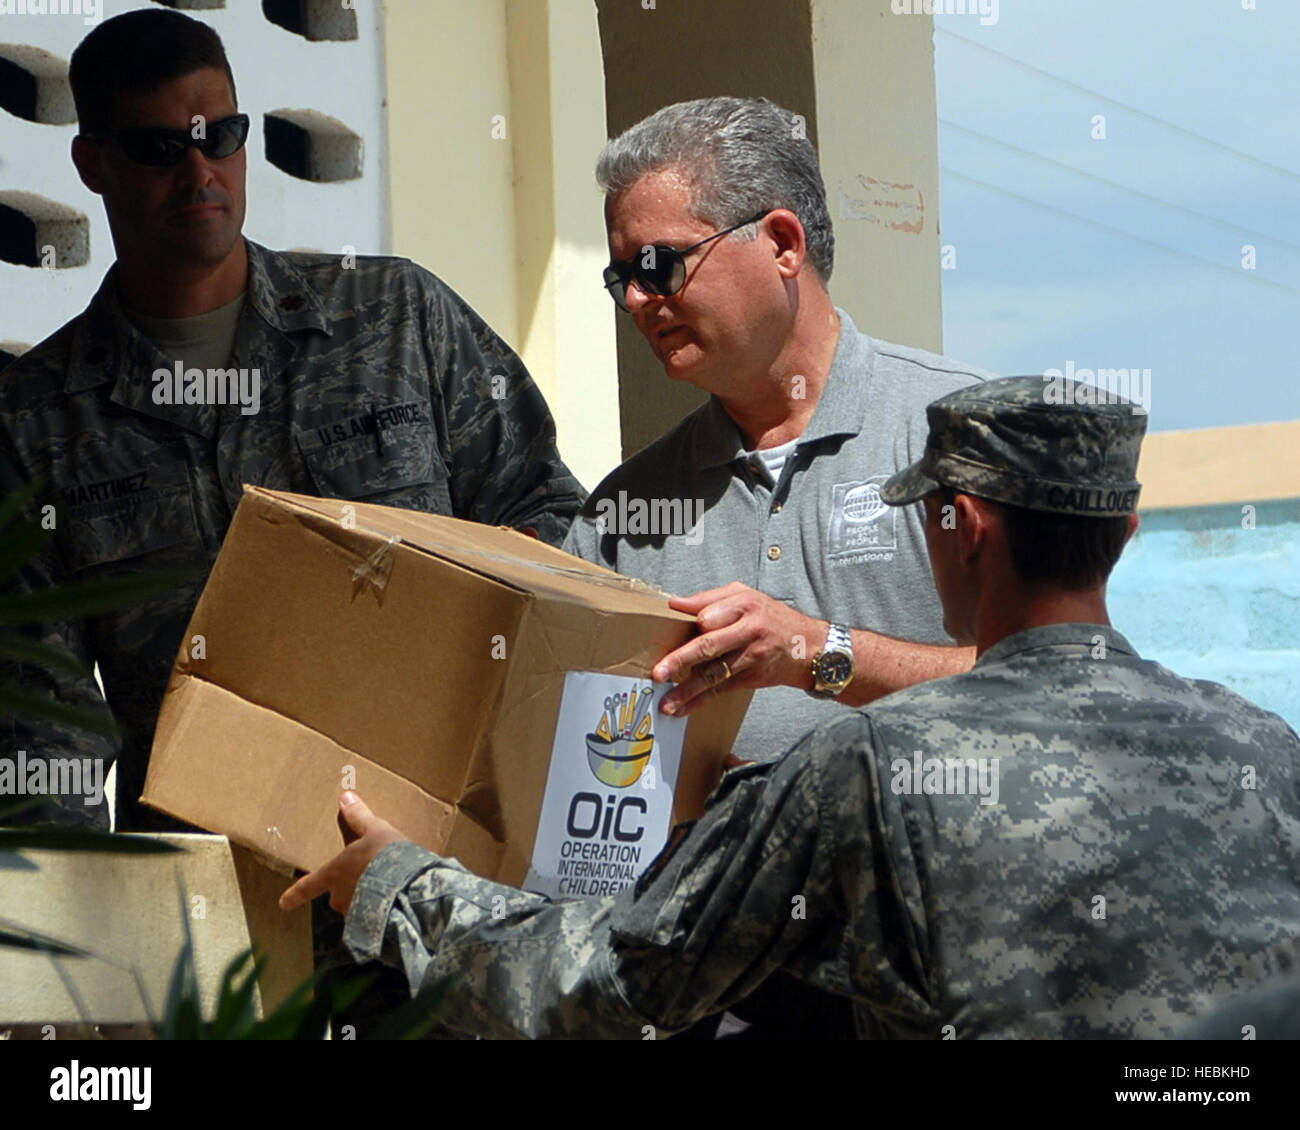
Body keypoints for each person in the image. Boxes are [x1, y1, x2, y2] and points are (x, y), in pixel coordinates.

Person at [282, 375, 1300, 1039]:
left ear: (966, 527)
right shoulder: (1265, 747)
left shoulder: (868, 765)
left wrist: (400, 883)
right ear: (1122, 533)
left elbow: (615, 985)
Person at [0, 8, 584, 836]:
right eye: (160, 148)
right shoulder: (35, 421)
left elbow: (550, 522)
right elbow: (42, 730)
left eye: (221, 136)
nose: (199, 172)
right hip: (217, 896)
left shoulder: (395, 317)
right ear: (92, 163)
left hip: (447, 866)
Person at [563, 96, 999, 769]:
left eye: (658, 266)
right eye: (620, 279)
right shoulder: (621, 516)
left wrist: (822, 652)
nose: (637, 302)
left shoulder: (965, 429)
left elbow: (1067, 691)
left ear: (783, 245)